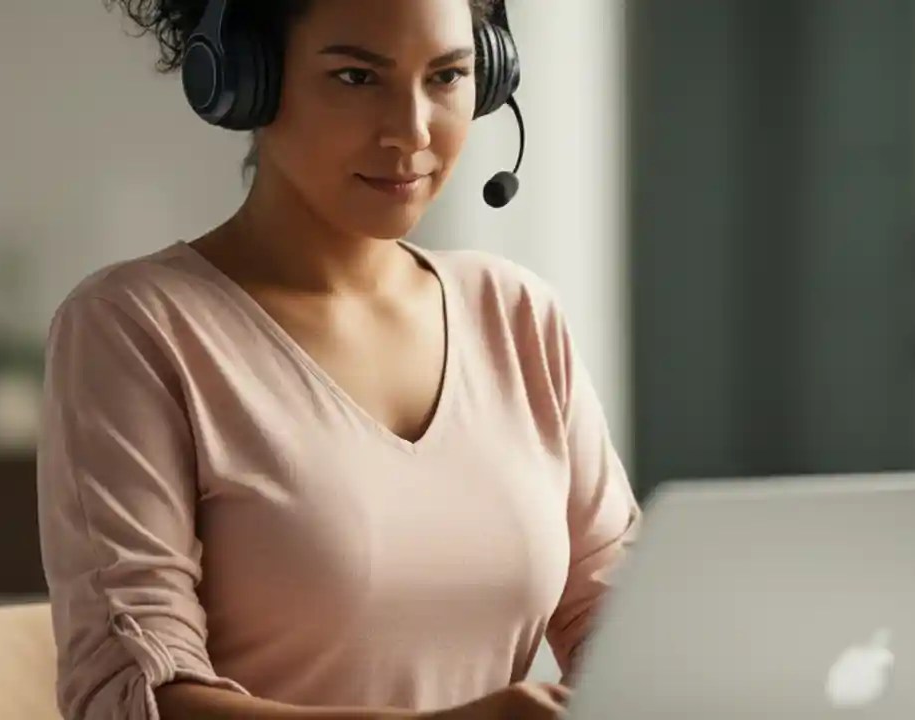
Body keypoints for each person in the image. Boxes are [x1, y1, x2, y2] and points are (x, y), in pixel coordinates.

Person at [36, 0, 641, 718]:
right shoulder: (135, 327)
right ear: (245, 78)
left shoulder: (515, 315)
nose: (412, 131)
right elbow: (133, 701)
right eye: (357, 76)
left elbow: (626, 621)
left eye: (447, 76)